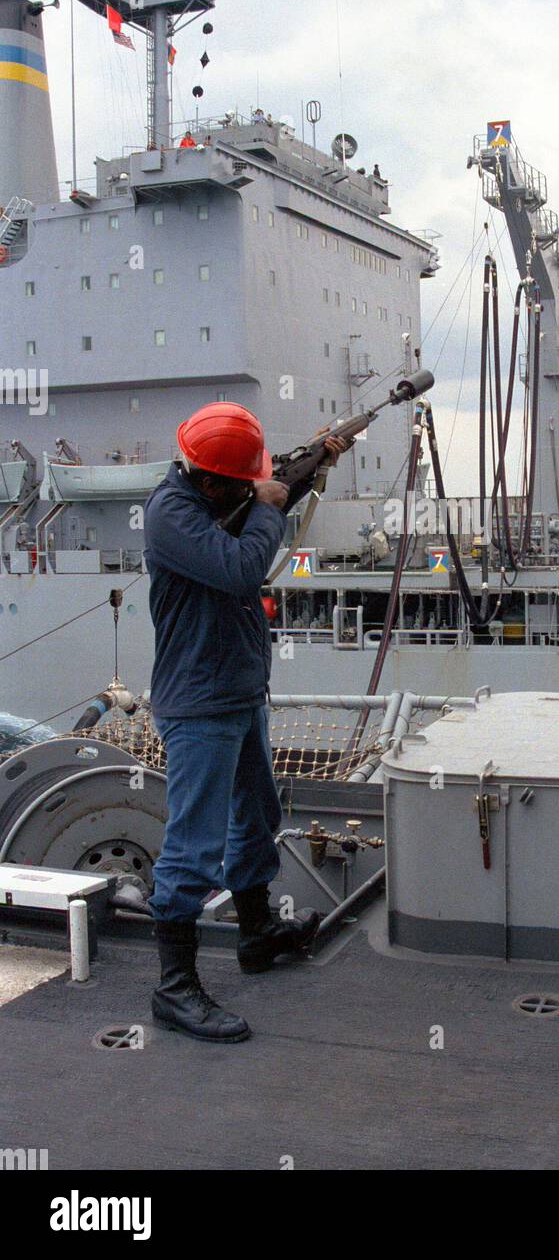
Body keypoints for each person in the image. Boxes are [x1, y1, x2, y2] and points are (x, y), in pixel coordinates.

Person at [143, 402, 352, 1043]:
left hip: (237, 693)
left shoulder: (212, 500)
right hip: (200, 705)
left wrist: (298, 482)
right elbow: (238, 567)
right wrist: (267, 504)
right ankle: (175, 990)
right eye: (243, 483)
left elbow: (240, 530)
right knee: (193, 845)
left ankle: (257, 932)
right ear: (215, 483)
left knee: (256, 816)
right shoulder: (170, 513)